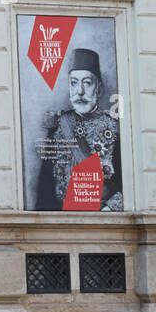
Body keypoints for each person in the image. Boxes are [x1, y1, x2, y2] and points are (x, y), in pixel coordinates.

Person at [35, 47, 121, 211]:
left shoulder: (114, 129)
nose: (80, 91)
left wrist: (110, 209)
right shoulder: (57, 127)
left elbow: (126, 183)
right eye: (74, 83)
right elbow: (45, 188)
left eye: (87, 83)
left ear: (99, 88)